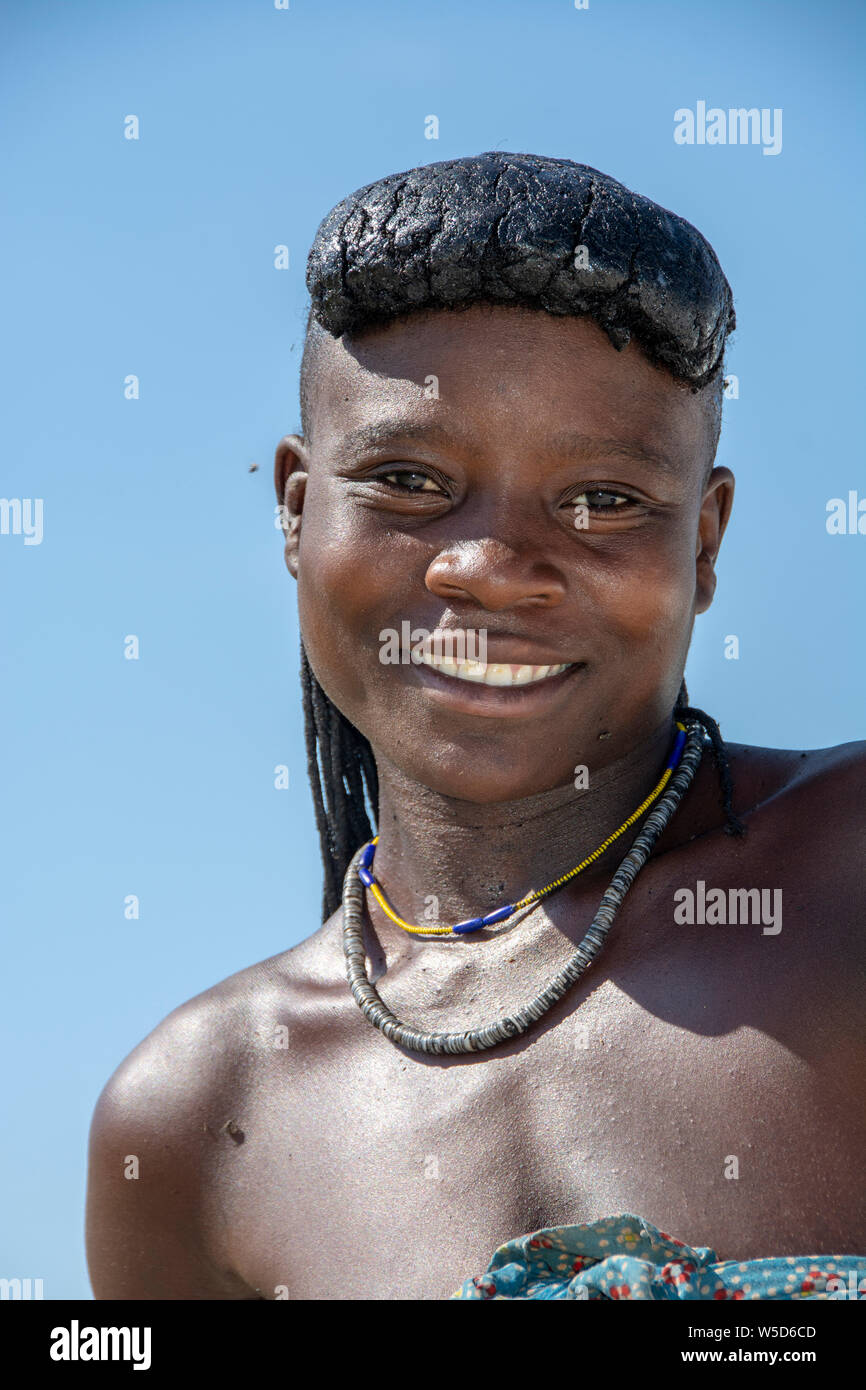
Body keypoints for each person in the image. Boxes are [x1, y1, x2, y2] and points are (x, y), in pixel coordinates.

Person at [86, 153, 866, 1301]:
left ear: (702, 545)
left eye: (600, 500)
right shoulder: (199, 1119)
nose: (493, 571)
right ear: (298, 509)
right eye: (406, 480)